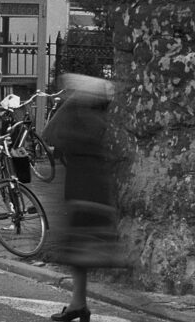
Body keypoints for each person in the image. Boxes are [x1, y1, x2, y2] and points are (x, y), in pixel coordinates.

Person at [41, 73, 124, 322]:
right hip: (97, 188)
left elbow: (49, 134)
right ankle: (78, 304)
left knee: (80, 250)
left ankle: (80, 304)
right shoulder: (105, 120)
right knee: (82, 251)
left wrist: (71, 100)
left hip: (82, 190)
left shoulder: (79, 117)